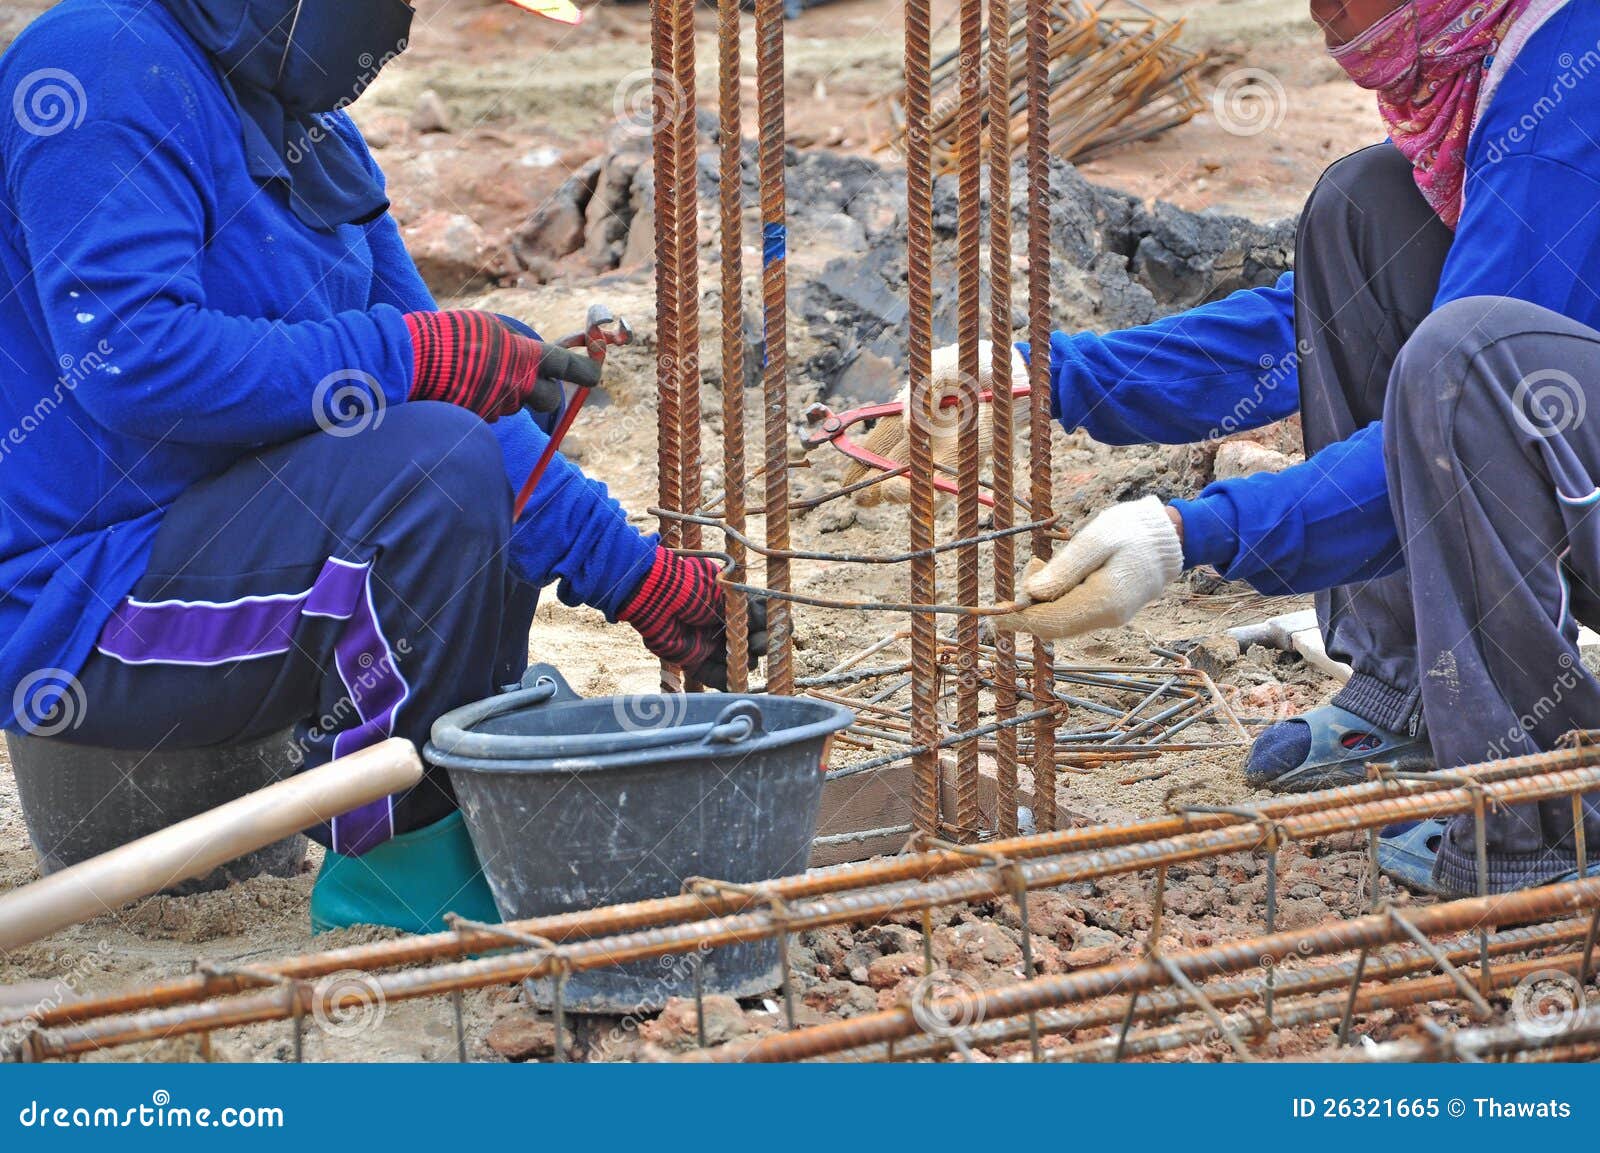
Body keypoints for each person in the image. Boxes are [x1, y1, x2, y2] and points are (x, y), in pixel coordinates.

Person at [0, 0, 758, 935]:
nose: (396, 24)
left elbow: (460, 399)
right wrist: (405, 357)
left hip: (218, 555)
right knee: (432, 485)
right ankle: (396, 876)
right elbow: (135, 360)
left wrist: (637, 577)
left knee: (454, 463)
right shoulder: (100, 65)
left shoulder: (303, 121)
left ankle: (449, 827)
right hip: (86, 604)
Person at [853, 0, 1600, 896]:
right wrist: (1044, 373)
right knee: (1361, 211)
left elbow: (1457, 395)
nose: (1323, 11)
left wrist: (1190, 533)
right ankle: (1411, 691)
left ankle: (1546, 811)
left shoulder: (1566, 98)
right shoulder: (1494, 57)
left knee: (1463, 364)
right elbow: (1305, 331)